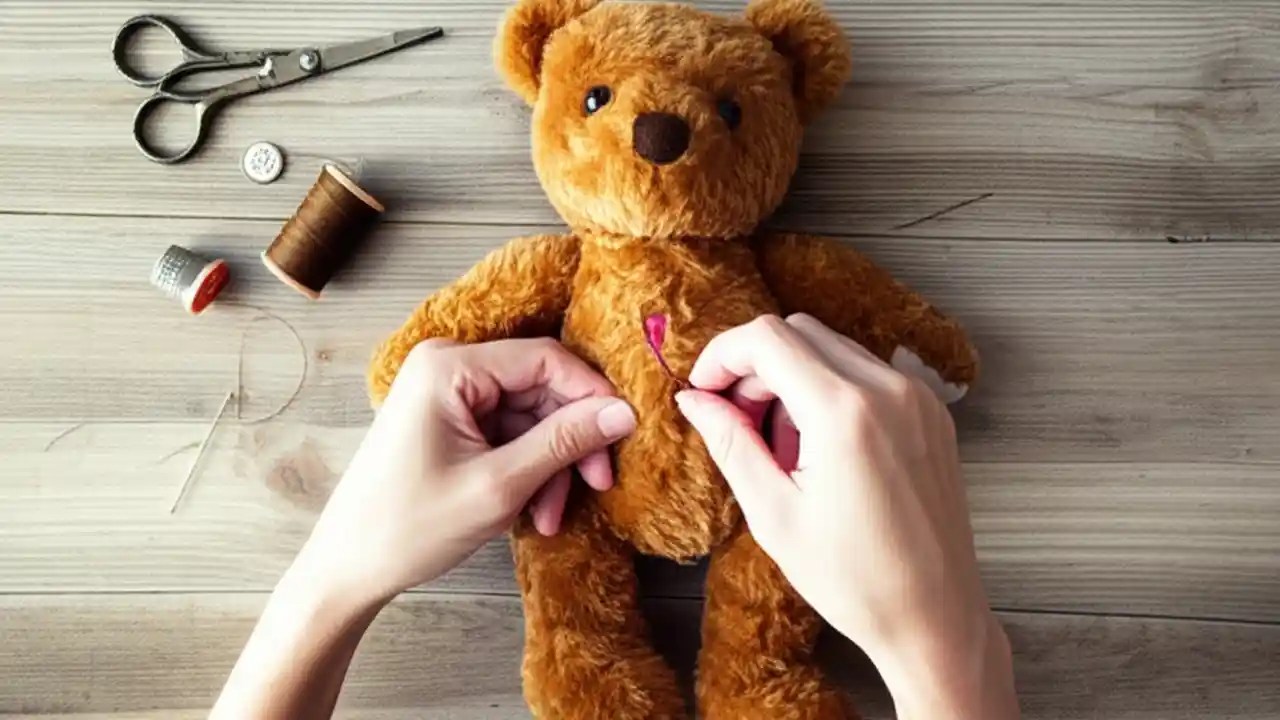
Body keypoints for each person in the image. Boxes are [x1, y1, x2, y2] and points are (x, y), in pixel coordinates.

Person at [211, 314, 1020, 720]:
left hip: (728, 511)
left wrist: (328, 581)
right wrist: (952, 659)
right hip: (605, 503)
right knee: (566, 567)